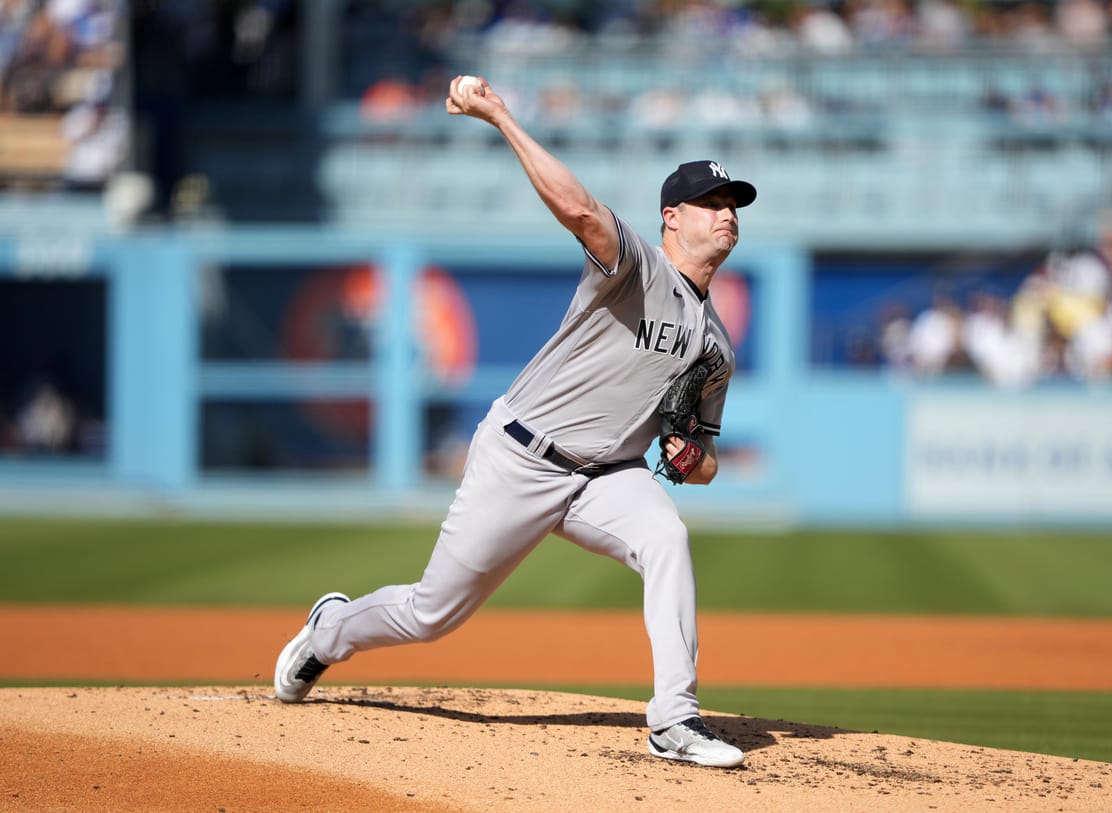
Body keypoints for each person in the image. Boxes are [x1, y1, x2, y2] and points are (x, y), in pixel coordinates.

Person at [273, 74, 756, 769]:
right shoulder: (636, 267)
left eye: (734, 204)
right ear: (671, 217)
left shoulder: (716, 344)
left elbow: (703, 457)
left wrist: (690, 459)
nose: (728, 214)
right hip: (523, 454)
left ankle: (674, 719)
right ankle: (329, 630)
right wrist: (500, 116)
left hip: (605, 476)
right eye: (712, 202)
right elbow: (581, 210)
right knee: (432, 613)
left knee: (666, 537)